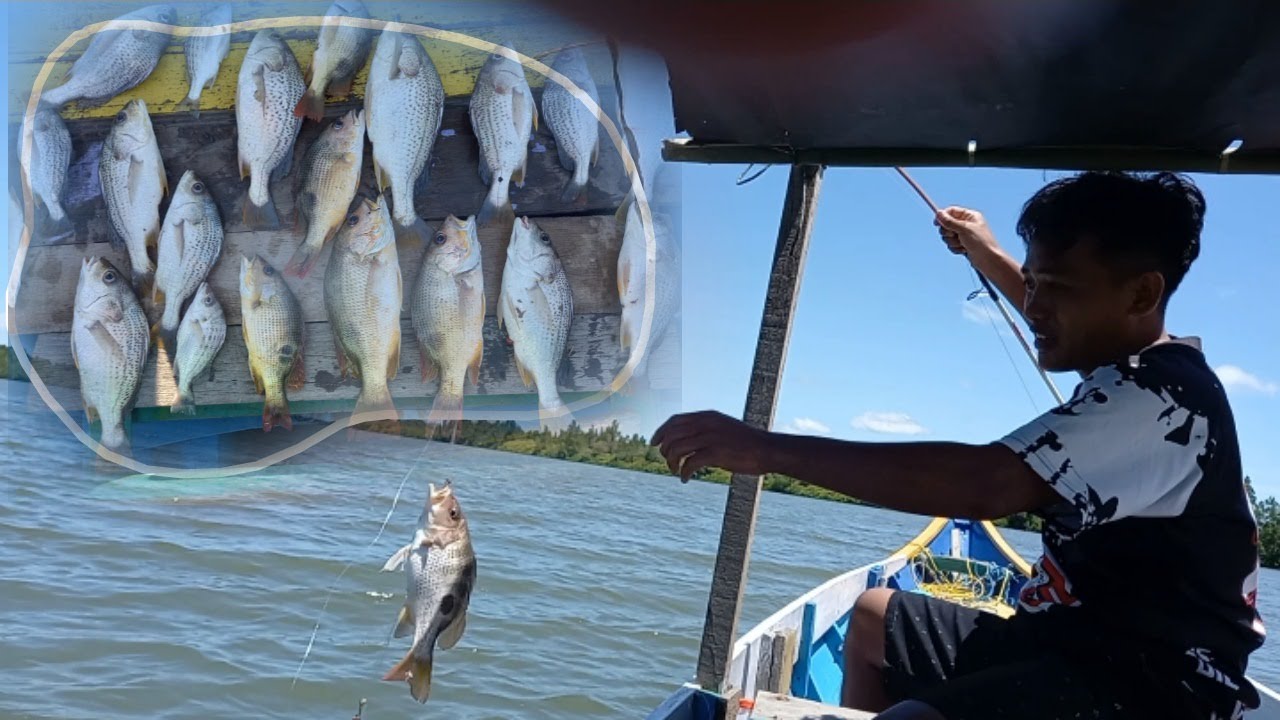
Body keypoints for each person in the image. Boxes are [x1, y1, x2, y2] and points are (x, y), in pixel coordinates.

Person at [650, 171, 1265, 719]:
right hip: (1070, 640)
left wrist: (764, 450)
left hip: (1156, 685)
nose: (1034, 307)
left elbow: (984, 484)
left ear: (1141, 295)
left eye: (1054, 288)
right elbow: (1066, 313)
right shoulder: (1132, 364)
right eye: (1032, 282)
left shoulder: (1163, 400)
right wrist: (986, 251)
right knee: (873, 618)